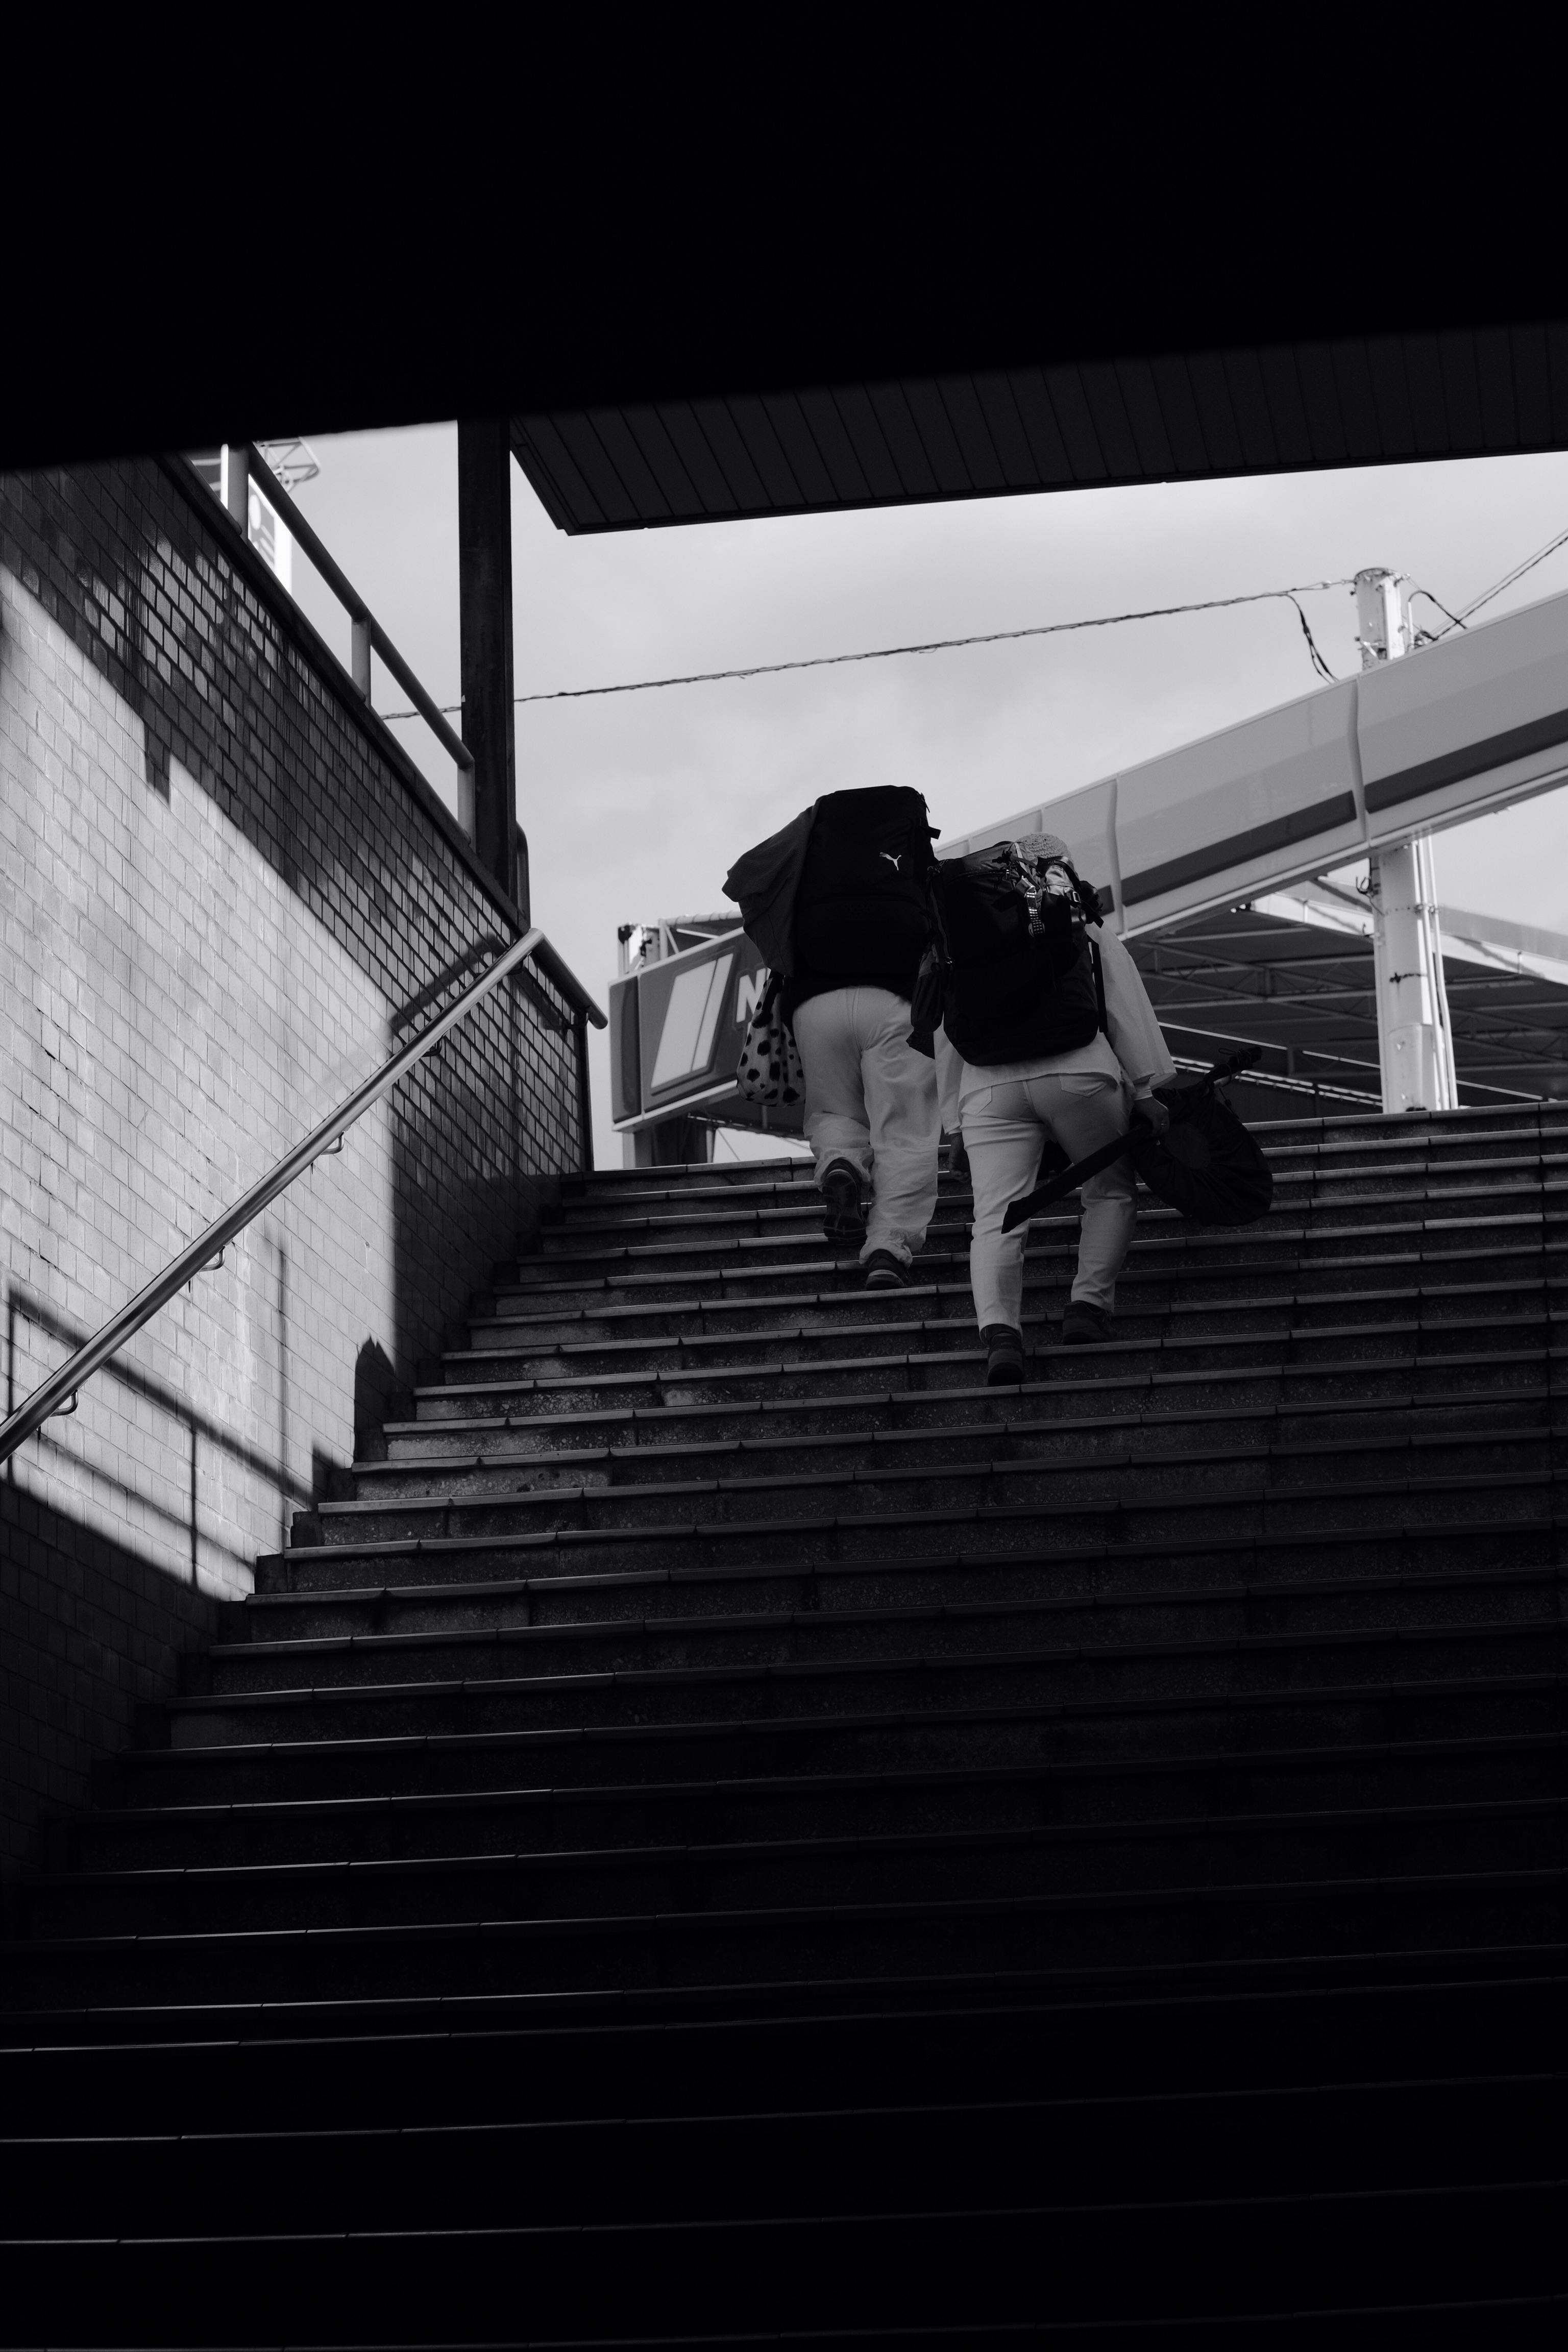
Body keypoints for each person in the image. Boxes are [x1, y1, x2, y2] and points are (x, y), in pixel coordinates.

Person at [942, 832, 1174, 1383]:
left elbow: (945, 1032)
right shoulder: (1082, 927)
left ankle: (1001, 1335)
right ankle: (1087, 1307)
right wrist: (1146, 1091)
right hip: (1079, 1074)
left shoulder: (966, 938)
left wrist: (955, 1125)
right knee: (1109, 1189)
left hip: (988, 1089)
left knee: (996, 1217)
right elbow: (1123, 1009)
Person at [725, 786, 941, 1289]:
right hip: (896, 1004)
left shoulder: (808, 862)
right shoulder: (910, 867)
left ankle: (841, 1161)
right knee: (904, 1132)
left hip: (814, 1007)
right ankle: (888, 1245)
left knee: (835, 1112)